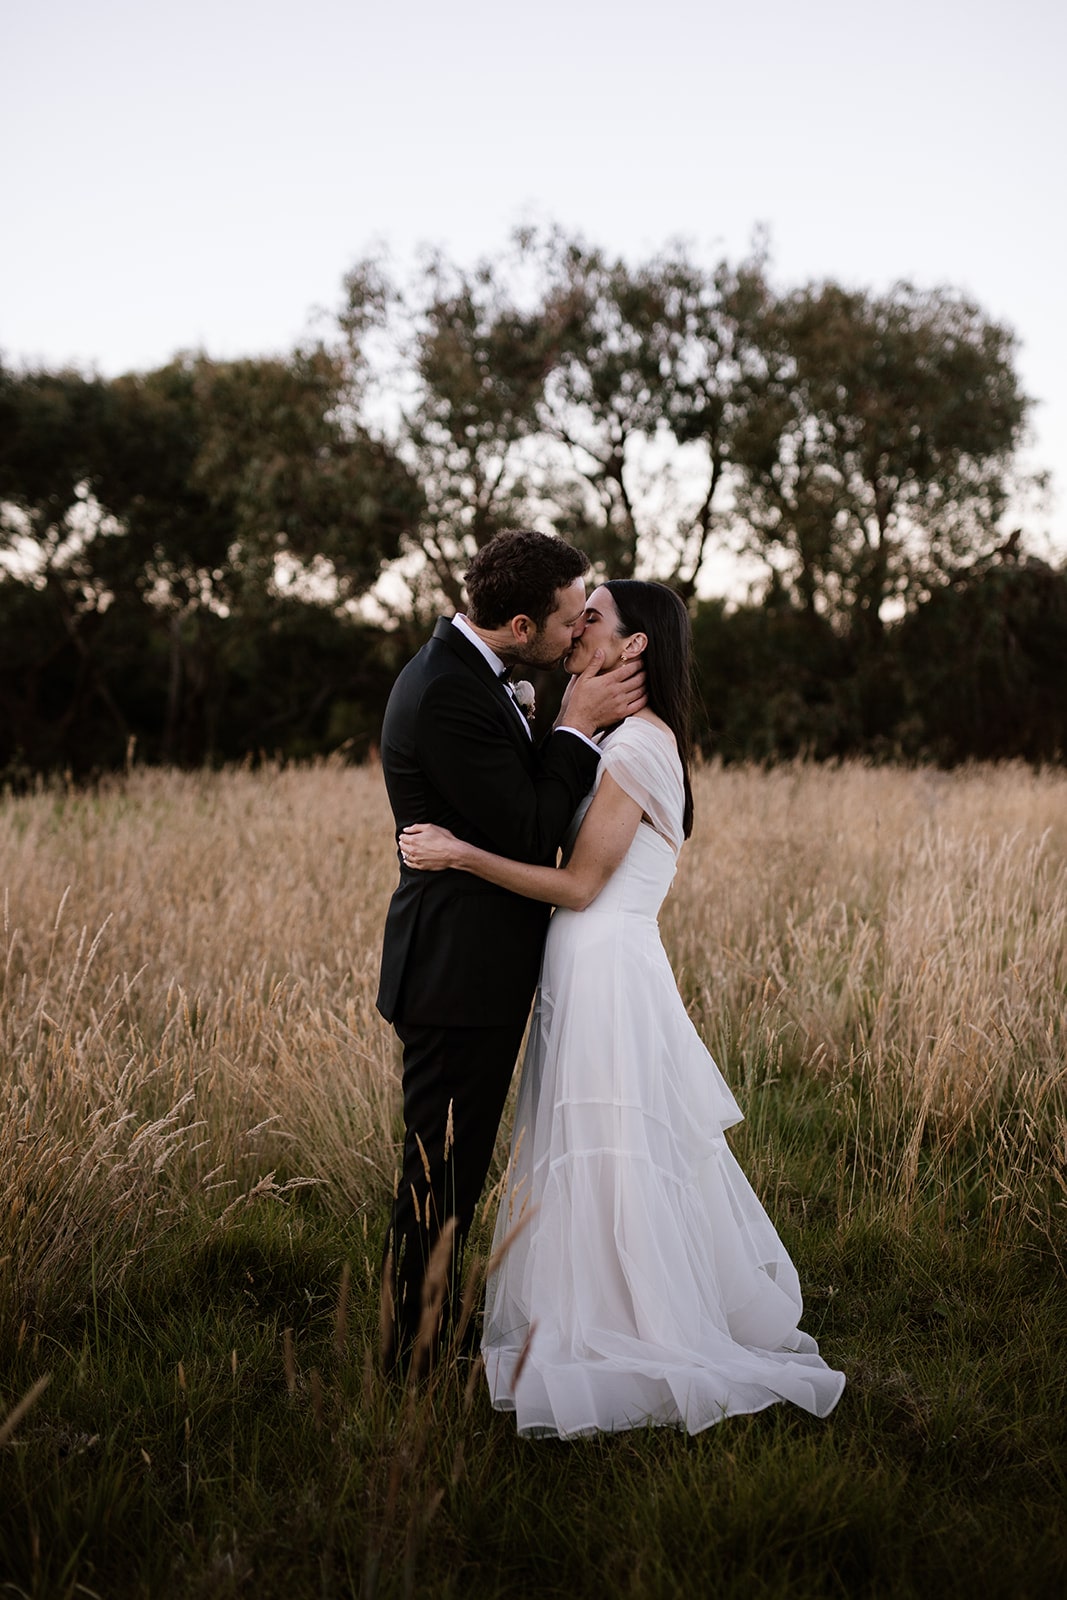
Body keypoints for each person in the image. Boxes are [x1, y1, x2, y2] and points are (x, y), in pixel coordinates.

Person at [399, 580, 846, 1436]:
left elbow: (576, 883)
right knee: (591, 1153)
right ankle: (593, 1311)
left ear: (635, 646)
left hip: (606, 966)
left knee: (611, 1152)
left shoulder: (641, 744)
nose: (578, 630)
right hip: (586, 965)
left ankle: (630, 1327)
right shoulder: (615, 738)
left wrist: (459, 855)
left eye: (594, 618)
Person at [376, 531, 646, 1376]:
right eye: (571, 620)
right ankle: (412, 1359)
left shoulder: (474, 675)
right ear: (523, 623)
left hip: (478, 973)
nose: (577, 635)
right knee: (438, 1171)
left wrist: (559, 724)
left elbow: (514, 802)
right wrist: (572, 724)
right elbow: (531, 829)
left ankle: (432, 1337)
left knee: (453, 1165)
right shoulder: (446, 693)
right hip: (457, 975)